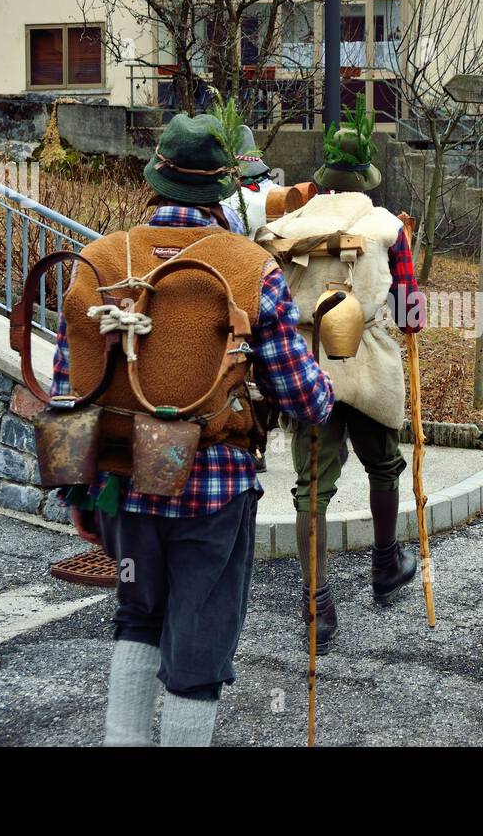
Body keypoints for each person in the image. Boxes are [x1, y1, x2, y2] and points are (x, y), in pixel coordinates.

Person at [53, 113, 334, 745]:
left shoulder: (99, 257)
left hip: (121, 481)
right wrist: (326, 394)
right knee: (200, 634)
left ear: (155, 180)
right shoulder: (249, 266)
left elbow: (69, 379)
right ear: (221, 191)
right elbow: (299, 393)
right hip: (213, 485)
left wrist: (85, 494)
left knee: (136, 615)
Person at [263, 98, 424, 654]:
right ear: (367, 181)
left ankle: (318, 608)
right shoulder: (386, 227)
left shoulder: (282, 226)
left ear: (325, 180)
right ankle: (385, 566)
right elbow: (410, 315)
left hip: (307, 365)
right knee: (385, 464)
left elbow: (267, 299)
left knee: (313, 488)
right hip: (371, 360)